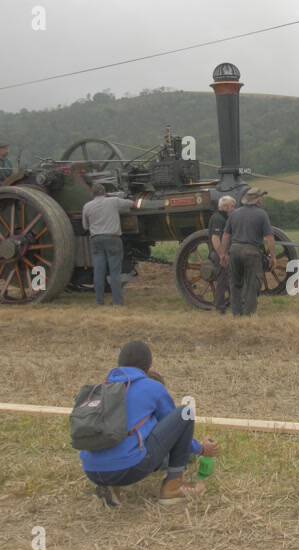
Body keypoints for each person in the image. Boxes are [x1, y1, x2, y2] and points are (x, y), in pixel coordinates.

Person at [81, 341, 220, 508]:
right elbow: (174, 428)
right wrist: (202, 449)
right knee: (186, 413)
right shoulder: (152, 387)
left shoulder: (101, 389)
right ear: (149, 365)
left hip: (92, 471)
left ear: (119, 363)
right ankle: (173, 487)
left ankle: (109, 486)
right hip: (128, 469)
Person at [223, 187, 276, 317]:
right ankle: (248, 315)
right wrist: (273, 257)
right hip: (251, 252)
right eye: (261, 197)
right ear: (257, 200)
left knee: (235, 284)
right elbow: (269, 238)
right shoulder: (261, 214)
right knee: (253, 284)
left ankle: (236, 314)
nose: (262, 199)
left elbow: (226, 235)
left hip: (234, 251)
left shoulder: (234, 213)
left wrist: (223, 253)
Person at [81, 183, 134, 307]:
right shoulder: (113, 201)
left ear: (92, 194)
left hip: (96, 240)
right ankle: (117, 302)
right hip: (113, 238)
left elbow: (85, 226)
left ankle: (99, 302)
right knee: (114, 272)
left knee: (99, 271)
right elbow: (131, 204)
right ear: (105, 192)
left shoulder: (87, 206)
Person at [209, 196, 236, 314]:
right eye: (232, 206)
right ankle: (220, 306)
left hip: (222, 253)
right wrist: (222, 255)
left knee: (227, 279)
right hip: (219, 254)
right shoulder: (218, 218)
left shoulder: (222, 217)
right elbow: (215, 238)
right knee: (222, 281)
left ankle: (233, 302)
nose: (234, 209)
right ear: (225, 207)